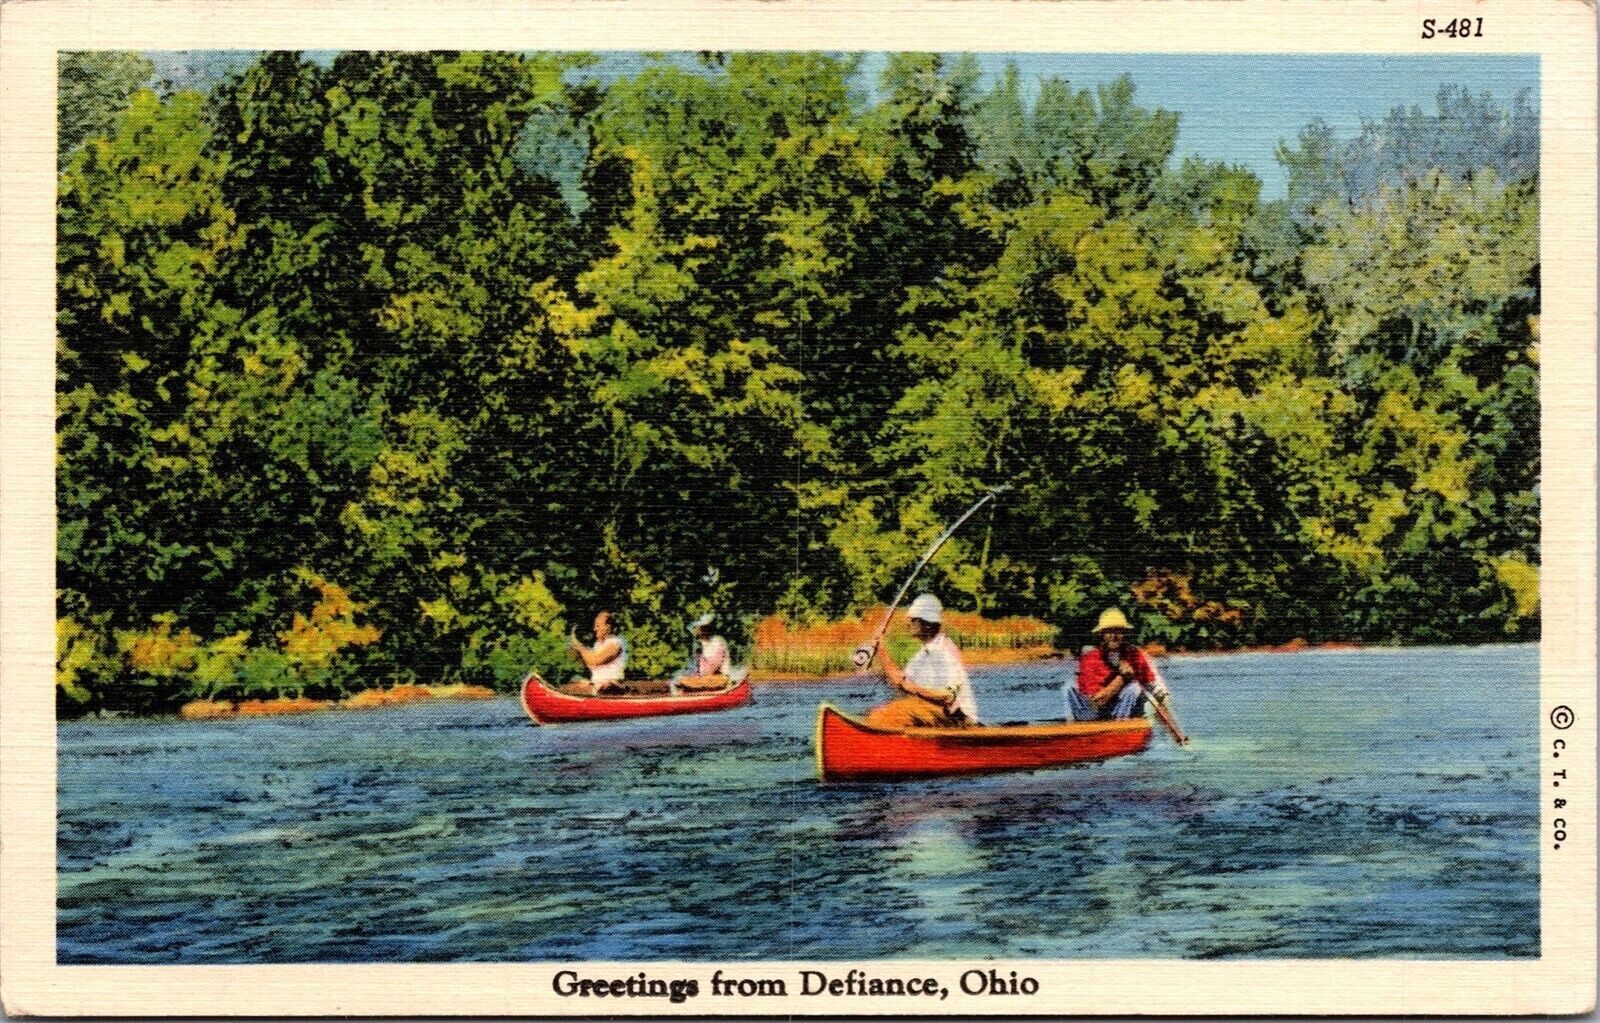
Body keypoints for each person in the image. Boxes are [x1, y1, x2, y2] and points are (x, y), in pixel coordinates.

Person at [864, 594, 979, 729]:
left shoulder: (944, 651)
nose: (908, 623)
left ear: (926, 623)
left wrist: (913, 688)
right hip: (936, 715)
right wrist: (881, 650)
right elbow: (900, 683)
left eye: (913, 620)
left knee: (892, 714)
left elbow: (947, 697)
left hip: (959, 720)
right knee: (877, 713)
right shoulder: (922, 655)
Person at [1064, 608, 1170, 721]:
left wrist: (1164, 706)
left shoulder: (1136, 655)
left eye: (1118, 631)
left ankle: (1123, 726)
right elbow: (1097, 702)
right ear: (1102, 634)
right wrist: (1122, 678)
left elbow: (1157, 688)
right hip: (1092, 714)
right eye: (1109, 631)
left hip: (1121, 712)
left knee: (1134, 688)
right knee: (1070, 686)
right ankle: (1080, 726)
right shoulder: (1089, 658)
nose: (1114, 635)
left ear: (1125, 633)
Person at [563, 610, 629, 695]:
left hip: (611, 689)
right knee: (573, 682)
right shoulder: (598, 645)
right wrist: (578, 654)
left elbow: (595, 661)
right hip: (598, 688)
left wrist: (579, 647)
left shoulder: (616, 643)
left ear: (608, 627)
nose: (595, 629)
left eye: (598, 626)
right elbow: (589, 665)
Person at [676, 613, 732, 692]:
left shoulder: (717, 641)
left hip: (719, 678)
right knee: (679, 679)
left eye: (698, 628)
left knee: (686, 681)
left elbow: (713, 666)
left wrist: (697, 679)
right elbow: (695, 666)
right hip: (703, 678)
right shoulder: (698, 643)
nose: (696, 630)